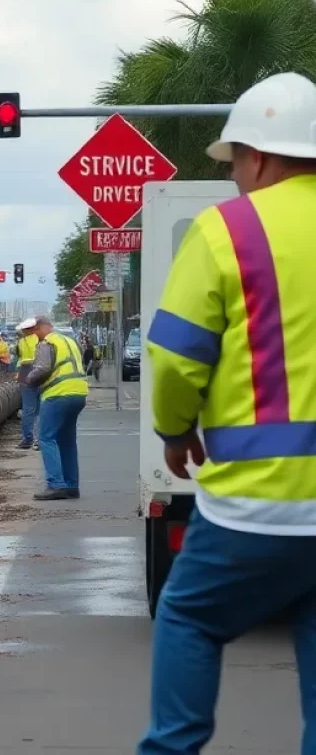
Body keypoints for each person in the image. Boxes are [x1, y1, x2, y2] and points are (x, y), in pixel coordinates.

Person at [139, 72, 316, 754]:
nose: (236, 174)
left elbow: (179, 357)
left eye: (236, 159)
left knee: (188, 618)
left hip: (257, 505)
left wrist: (176, 432)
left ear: (262, 156)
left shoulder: (227, 230)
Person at [25, 315, 88, 500]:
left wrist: (29, 380)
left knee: (46, 438)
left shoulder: (47, 343)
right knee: (67, 441)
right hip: (78, 393)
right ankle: (71, 485)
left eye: (35, 330)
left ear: (41, 327)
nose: (34, 335)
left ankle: (56, 484)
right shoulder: (70, 341)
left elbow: (43, 368)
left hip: (58, 394)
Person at [15, 317, 40, 450]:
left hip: (24, 374)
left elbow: (18, 357)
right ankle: (38, 440)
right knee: (40, 410)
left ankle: (27, 439)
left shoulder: (21, 342)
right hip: (39, 371)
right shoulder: (40, 340)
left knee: (28, 410)